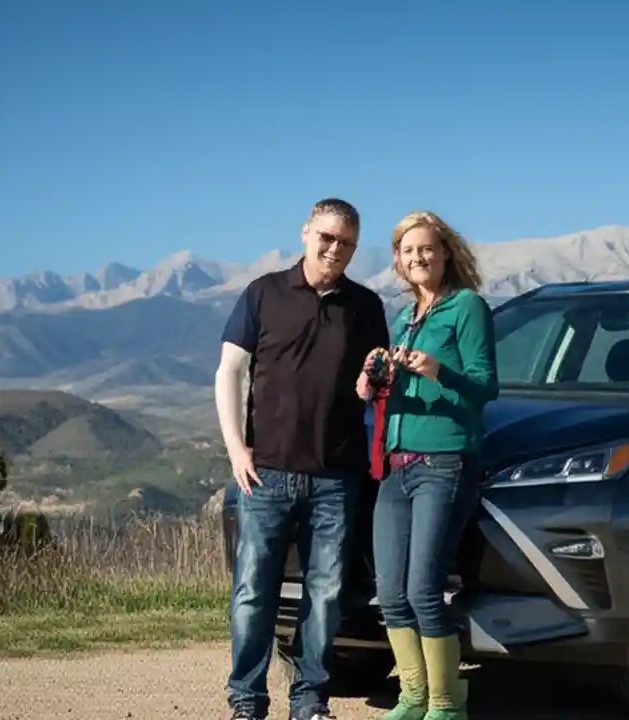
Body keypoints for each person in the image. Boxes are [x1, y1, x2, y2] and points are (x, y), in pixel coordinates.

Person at [215, 198, 390, 720]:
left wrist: (372, 385)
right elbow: (229, 371)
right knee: (252, 592)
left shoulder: (365, 306)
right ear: (306, 234)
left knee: (327, 595)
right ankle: (247, 698)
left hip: (337, 475)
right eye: (327, 238)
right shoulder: (263, 294)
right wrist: (235, 449)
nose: (335, 249)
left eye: (347, 243)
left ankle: (310, 700)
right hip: (264, 472)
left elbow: (373, 383)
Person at [356, 211, 498, 720]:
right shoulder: (405, 317)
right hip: (395, 465)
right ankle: (413, 697)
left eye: (426, 249)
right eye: (407, 251)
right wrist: (373, 382)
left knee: (423, 589)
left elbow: (486, 386)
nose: (417, 258)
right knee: (390, 592)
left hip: (444, 462)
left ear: (445, 253)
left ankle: (445, 702)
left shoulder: (466, 307)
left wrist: (442, 371)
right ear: (398, 260)